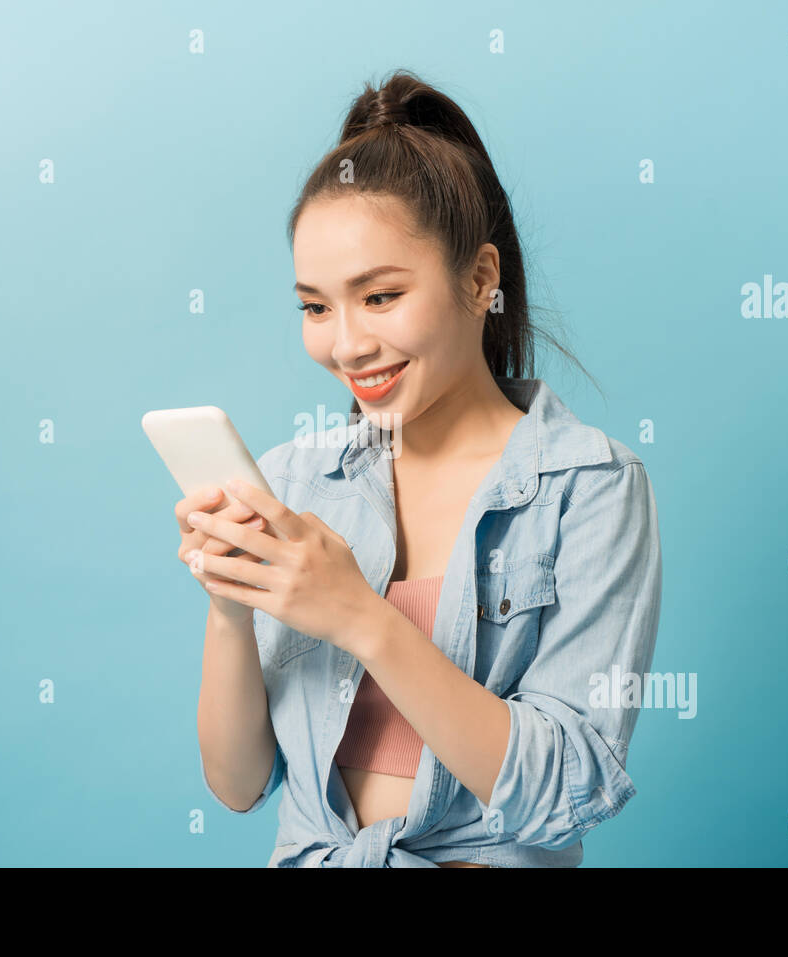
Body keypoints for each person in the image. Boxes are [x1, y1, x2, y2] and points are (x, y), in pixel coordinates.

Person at [179, 69, 662, 867]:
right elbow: (237, 784)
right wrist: (229, 603)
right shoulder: (293, 483)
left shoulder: (590, 487)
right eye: (314, 306)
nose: (346, 344)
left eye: (380, 296)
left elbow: (565, 789)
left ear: (479, 280)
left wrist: (361, 617)